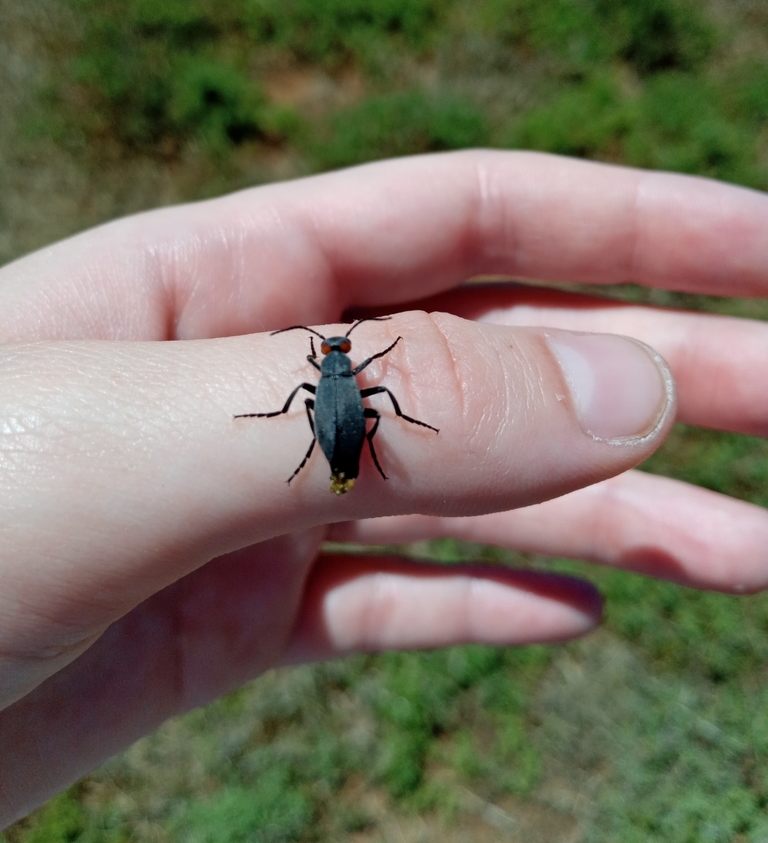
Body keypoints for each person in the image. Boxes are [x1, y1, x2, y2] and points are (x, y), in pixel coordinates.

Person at [2, 149, 768, 826]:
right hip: (343, 441)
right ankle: (332, 469)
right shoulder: (343, 384)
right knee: (341, 424)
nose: (336, 357)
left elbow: (326, 406)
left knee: (337, 427)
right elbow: (326, 407)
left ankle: (330, 470)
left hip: (339, 443)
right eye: (332, 352)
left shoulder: (333, 382)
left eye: (339, 353)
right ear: (331, 360)